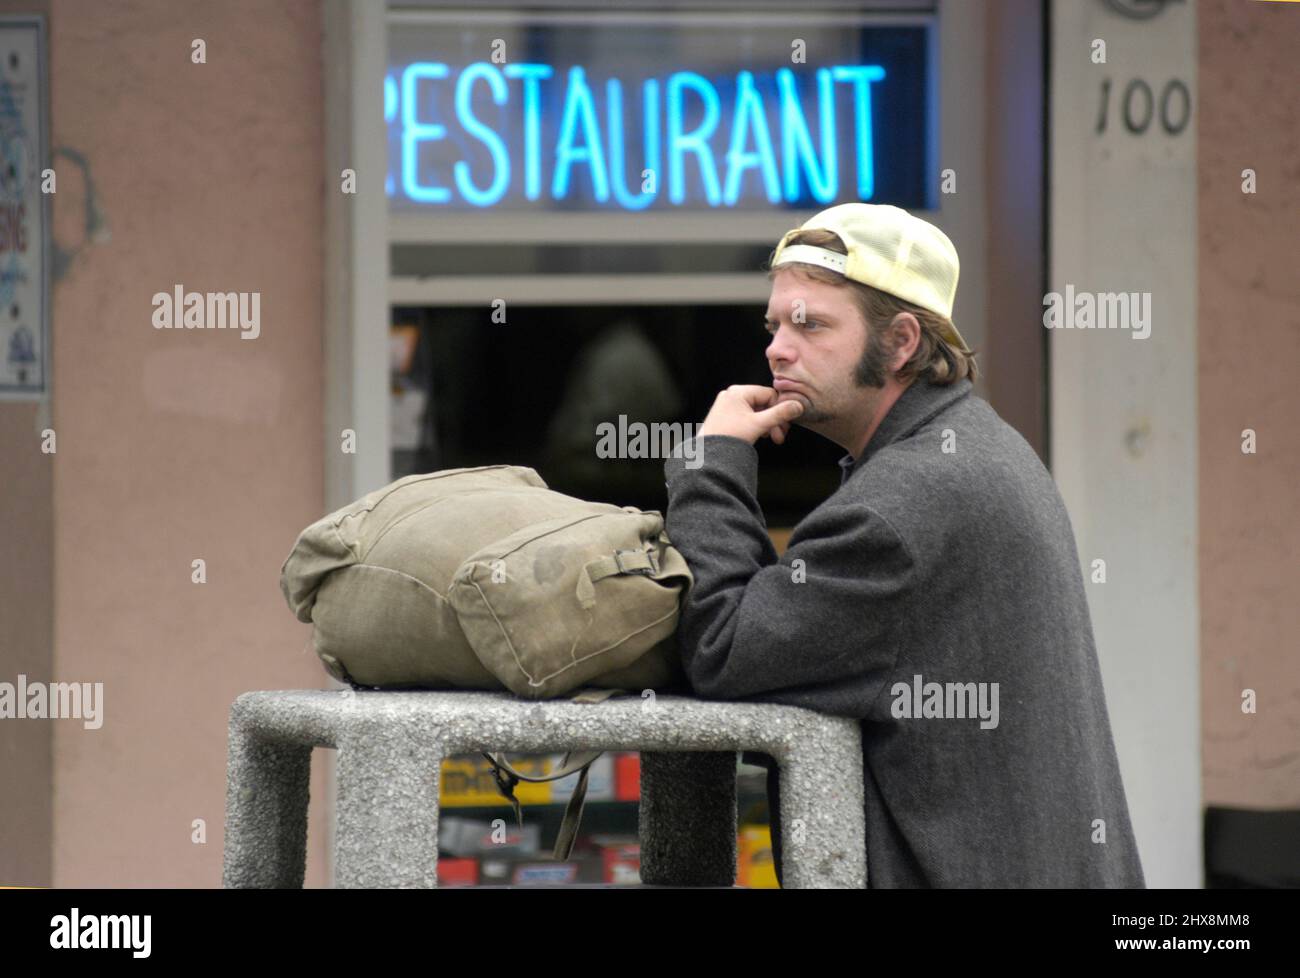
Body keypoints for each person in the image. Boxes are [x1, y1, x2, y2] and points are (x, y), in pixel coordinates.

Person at [662, 203, 1145, 888]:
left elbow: (720, 648)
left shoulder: (901, 509)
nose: (776, 348)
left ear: (901, 343)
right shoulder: (976, 448)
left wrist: (711, 463)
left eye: (811, 324)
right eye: (774, 324)